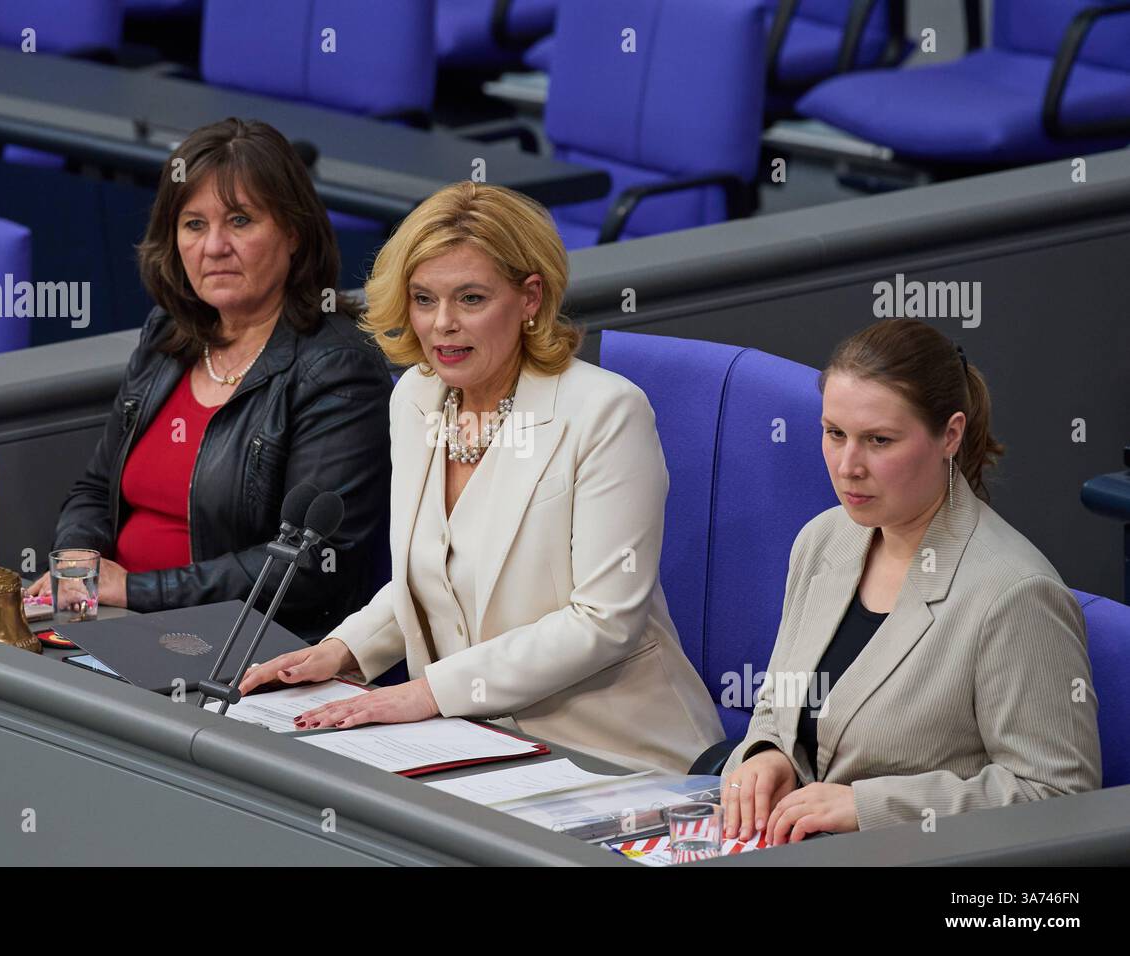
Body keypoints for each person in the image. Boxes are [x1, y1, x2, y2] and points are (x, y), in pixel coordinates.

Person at [237, 181, 724, 775]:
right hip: (468, 741)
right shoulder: (416, 396)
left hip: (608, 748)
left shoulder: (604, 413)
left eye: (470, 299)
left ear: (529, 297)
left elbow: (604, 622)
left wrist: (428, 693)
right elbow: (437, 574)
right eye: (423, 299)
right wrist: (345, 650)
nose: (442, 325)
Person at [721, 319, 1101, 844]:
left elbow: (1057, 797)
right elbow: (779, 702)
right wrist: (768, 753)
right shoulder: (824, 539)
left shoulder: (1014, 593)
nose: (848, 466)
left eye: (879, 440)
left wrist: (869, 806)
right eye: (835, 434)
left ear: (950, 434)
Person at [28, 118, 392, 642]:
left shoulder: (337, 367)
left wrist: (136, 591)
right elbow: (95, 489)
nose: (214, 246)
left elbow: (307, 566)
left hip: (243, 649)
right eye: (194, 224)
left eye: (240, 221)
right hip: (113, 624)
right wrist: (80, 565)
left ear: (293, 232)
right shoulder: (168, 335)